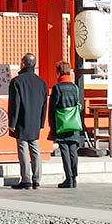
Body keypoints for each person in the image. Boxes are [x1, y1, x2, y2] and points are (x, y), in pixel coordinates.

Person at [7, 52, 47, 189]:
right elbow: (44, 104)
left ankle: (26, 179)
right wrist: (42, 122)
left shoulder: (17, 81)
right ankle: (37, 179)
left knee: (23, 148)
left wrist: (12, 122)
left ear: (23, 63)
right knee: (35, 149)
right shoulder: (42, 82)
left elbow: (15, 104)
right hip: (35, 120)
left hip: (22, 119)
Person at [48, 60, 85, 188]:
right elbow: (79, 105)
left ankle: (68, 178)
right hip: (74, 123)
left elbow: (52, 107)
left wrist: (52, 125)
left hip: (62, 123)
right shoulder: (75, 88)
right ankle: (74, 178)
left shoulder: (57, 88)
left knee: (64, 151)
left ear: (59, 72)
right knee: (73, 151)